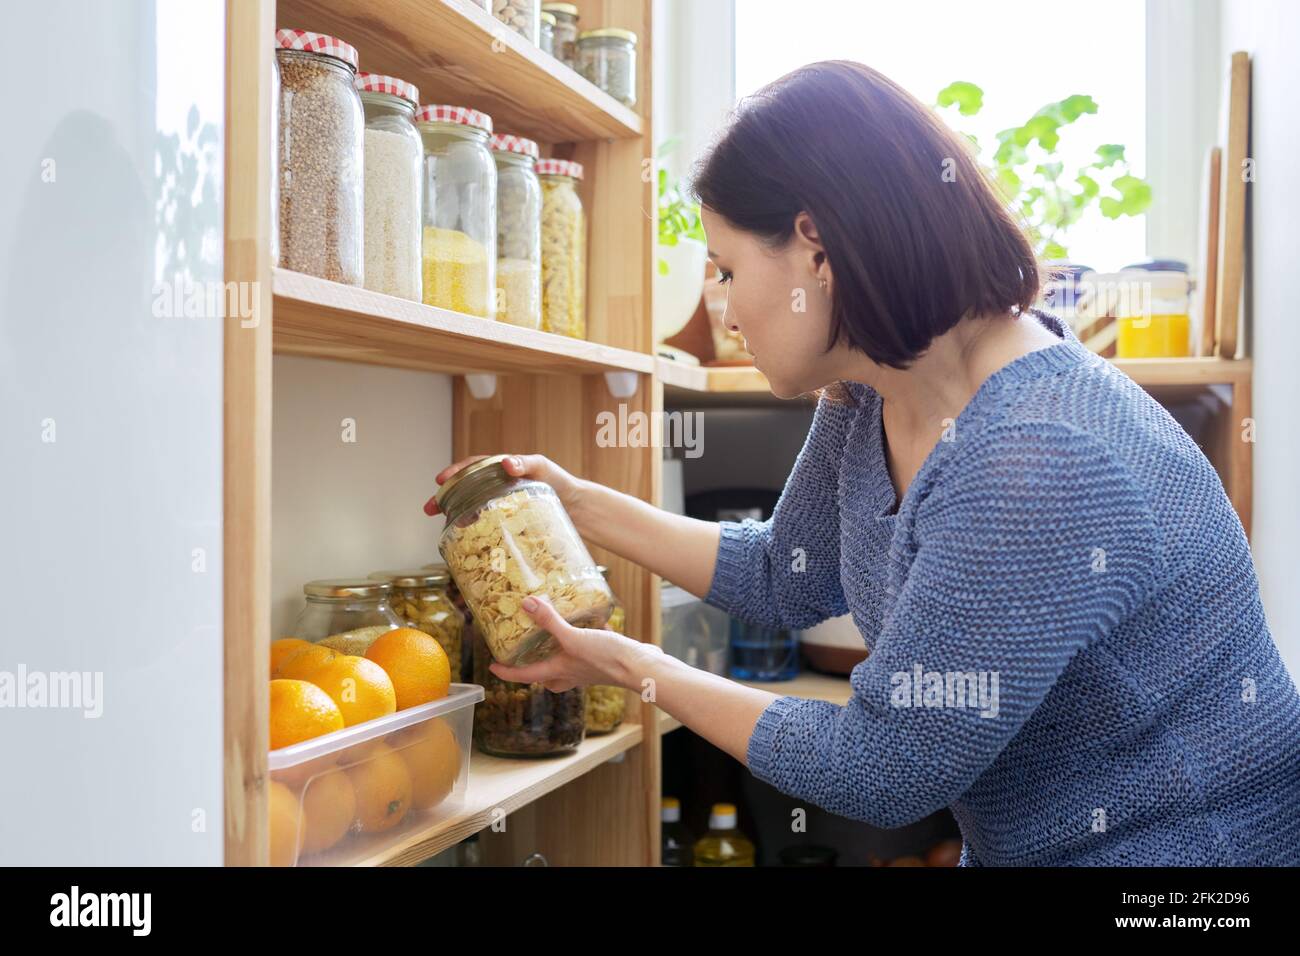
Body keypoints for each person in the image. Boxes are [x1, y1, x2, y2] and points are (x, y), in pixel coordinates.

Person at [425, 61, 1300, 866]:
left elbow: (885, 767)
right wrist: (577, 506)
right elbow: (785, 574)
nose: (721, 310)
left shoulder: (1036, 458)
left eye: (726, 269)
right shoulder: (874, 387)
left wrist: (629, 664)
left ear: (816, 246)